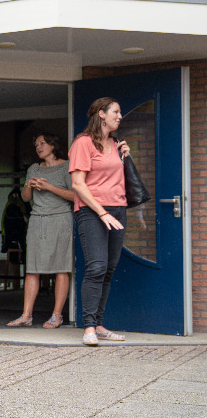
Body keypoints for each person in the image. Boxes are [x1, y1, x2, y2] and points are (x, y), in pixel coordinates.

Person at [69, 97, 130, 346]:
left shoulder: (115, 143)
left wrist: (126, 158)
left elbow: (116, 178)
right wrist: (101, 212)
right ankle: (89, 328)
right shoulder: (83, 143)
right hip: (92, 211)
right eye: (116, 111)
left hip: (118, 209)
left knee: (108, 269)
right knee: (96, 267)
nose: (120, 116)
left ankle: (100, 324)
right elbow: (78, 185)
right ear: (101, 115)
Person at [6, 133, 74, 328]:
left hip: (61, 219)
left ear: (53, 144)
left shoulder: (66, 166)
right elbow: (26, 197)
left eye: (42, 143)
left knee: (61, 267)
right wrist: (29, 185)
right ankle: (26, 315)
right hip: (37, 221)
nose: (38, 147)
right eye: (36, 144)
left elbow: (75, 196)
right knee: (32, 268)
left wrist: (49, 186)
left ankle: (57, 315)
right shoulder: (33, 169)